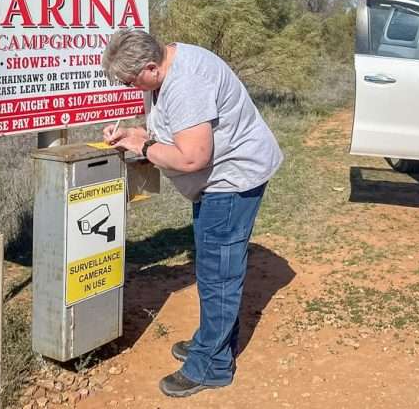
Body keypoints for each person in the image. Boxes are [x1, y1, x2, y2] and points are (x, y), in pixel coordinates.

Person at [100, 29, 283, 397]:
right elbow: (175, 127)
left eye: (132, 81)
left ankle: (211, 365)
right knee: (215, 268)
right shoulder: (169, 62)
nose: (131, 88)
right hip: (222, 179)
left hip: (232, 180)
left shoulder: (186, 85)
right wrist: (137, 135)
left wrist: (146, 145)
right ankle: (210, 341)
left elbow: (191, 157)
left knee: (217, 276)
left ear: (151, 65)